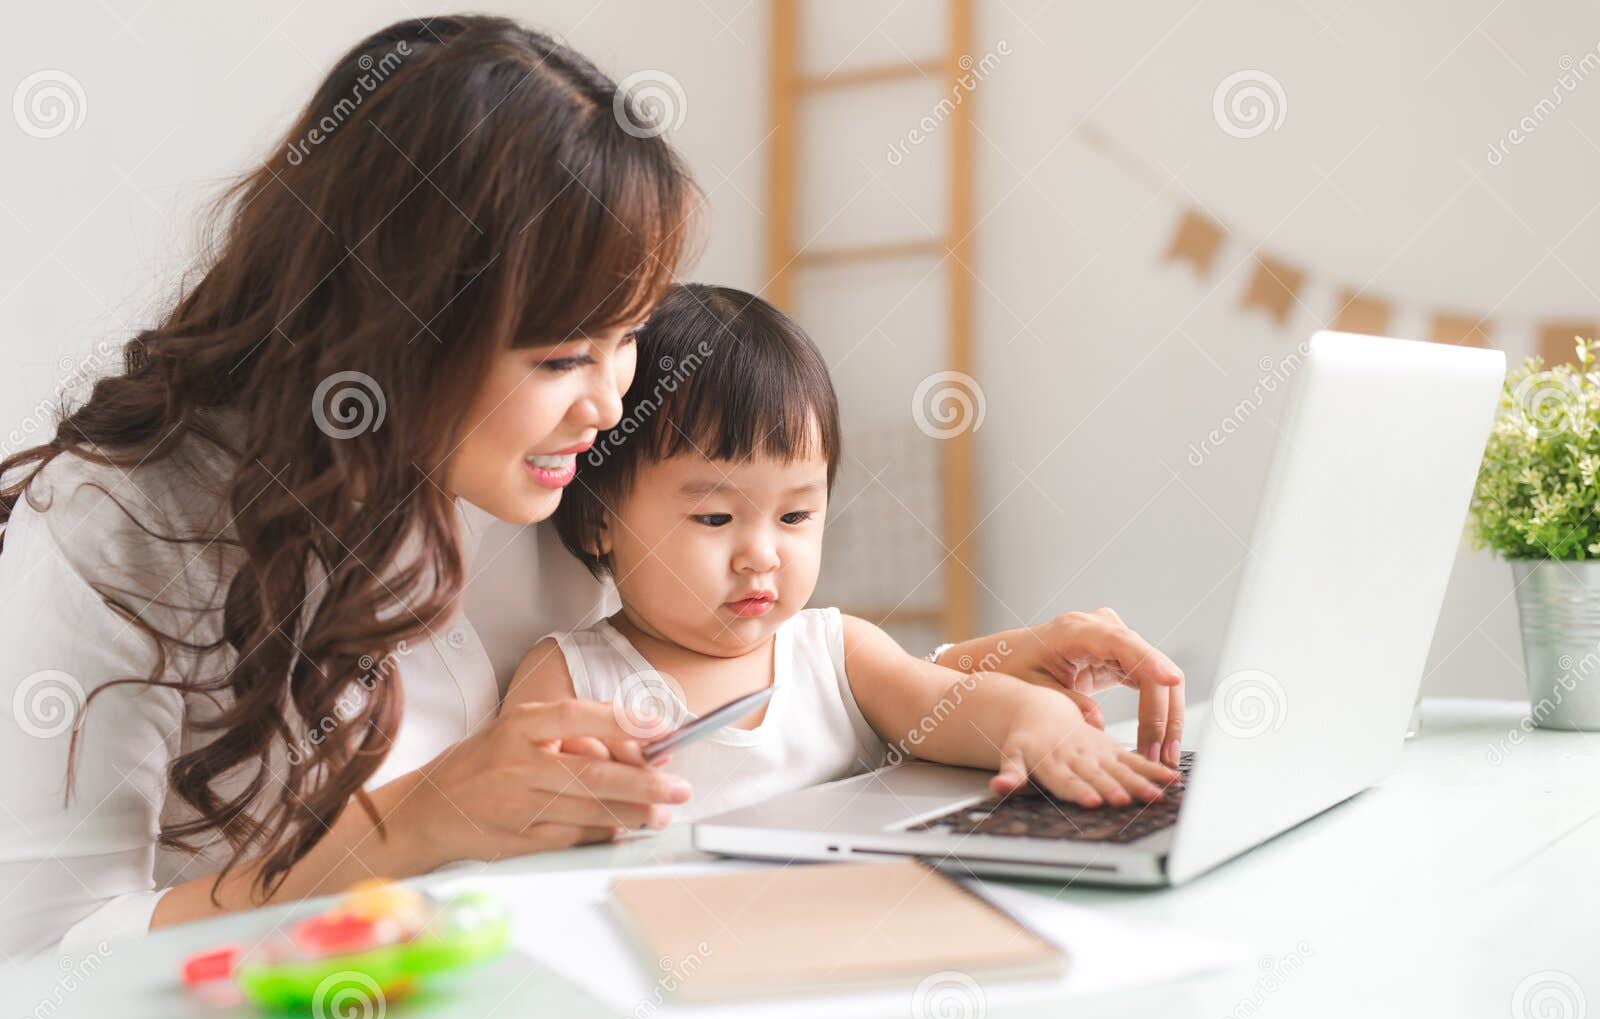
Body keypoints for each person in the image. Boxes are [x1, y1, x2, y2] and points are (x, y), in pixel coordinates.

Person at [0, 15, 1182, 960]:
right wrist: (404, 830)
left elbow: (696, 677)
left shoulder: (520, 474)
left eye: (622, 340)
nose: (610, 401)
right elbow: (44, 964)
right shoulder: (118, 532)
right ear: (399, 324)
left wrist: (966, 680)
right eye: (562, 355)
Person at [513, 284, 1180, 821]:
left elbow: (949, 704)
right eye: (716, 516)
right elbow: (513, 831)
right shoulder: (568, 680)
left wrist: (1040, 718)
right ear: (600, 519)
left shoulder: (836, 654)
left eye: (796, 514)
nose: (762, 555)